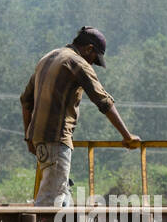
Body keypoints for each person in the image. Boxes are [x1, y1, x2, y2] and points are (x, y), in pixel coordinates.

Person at [20, 26, 140, 206]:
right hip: (56, 138)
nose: (92, 64)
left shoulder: (48, 57)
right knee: (50, 202)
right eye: (94, 59)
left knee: (61, 193)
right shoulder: (77, 63)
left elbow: (26, 101)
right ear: (89, 49)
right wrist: (127, 136)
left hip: (40, 140)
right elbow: (103, 102)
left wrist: (29, 137)